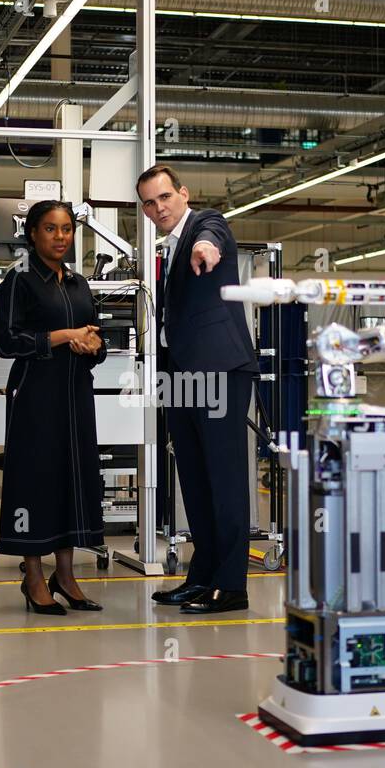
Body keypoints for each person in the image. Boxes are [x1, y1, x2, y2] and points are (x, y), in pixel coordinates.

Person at [137, 164, 259, 615]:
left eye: (165, 197)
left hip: (220, 371)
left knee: (224, 480)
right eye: (149, 202)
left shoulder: (204, 225)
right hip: (184, 375)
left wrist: (206, 245)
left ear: (182, 194)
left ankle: (231, 586)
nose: (158, 208)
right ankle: (203, 576)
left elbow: (214, 231)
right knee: (195, 479)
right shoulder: (166, 248)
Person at [0, 200, 106, 615]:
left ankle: (66, 575)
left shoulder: (77, 282)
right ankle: (34, 578)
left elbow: (96, 338)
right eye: (51, 229)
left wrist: (93, 345)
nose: (60, 237)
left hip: (75, 393)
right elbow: (6, 341)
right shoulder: (18, 282)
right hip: (34, 395)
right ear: (33, 234)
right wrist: (60, 337)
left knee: (69, 479)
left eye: (66, 229)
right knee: (35, 482)